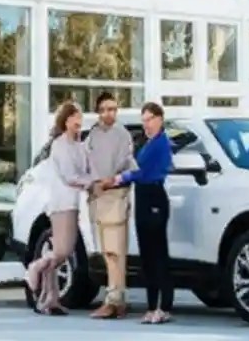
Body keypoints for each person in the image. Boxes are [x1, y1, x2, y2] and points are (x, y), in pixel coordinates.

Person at [107, 101, 174, 325]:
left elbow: (144, 172)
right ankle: (152, 306)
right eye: (143, 121)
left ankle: (163, 307)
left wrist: (122, 178)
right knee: (147, 255)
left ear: (159, 119)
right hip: (144, 198)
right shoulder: (148, 143)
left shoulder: (161, 144)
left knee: (157, 254)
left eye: (150, 120)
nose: (146, 125)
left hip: (154, 197)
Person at [24, 102, 91, 315]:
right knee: (62, 251)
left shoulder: (78, 144)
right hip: (61, 202)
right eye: (75, 118)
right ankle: (34, 269)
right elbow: (69, 176)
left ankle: (49, 299)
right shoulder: (60, 145)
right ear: (66, 120)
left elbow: (86, 166)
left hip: (73, 202)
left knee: (62, 251)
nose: (79, 122)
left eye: (80, 118)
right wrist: (92, 181)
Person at [85, 92, 135, 319]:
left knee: (116, 251)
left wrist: (110, 181)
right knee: (106, 252)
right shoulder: (93, 135)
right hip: (97, 198)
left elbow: (128, 166)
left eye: (113, 109)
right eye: (105, 109)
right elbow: (87, 162)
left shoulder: (122, 134)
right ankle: (114, 299)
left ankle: (115, 299)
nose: (109, 113)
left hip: (115, 196)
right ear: (98, 111)